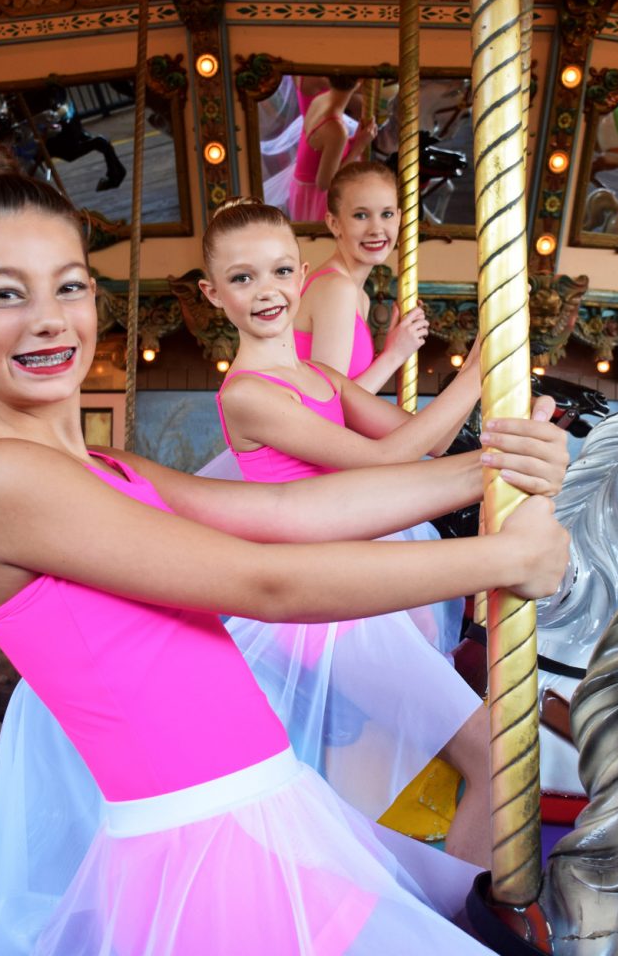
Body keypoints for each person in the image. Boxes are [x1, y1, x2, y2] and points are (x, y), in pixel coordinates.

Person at [0, 143, 571, 955]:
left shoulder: (105, 468)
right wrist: (503, 561)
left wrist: (489, 468)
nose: (50, 319)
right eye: (5, 295)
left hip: (264, 813)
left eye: (71, 286)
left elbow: (290, 512)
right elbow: (266, 580)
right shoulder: (0, 482)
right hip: (209, 853)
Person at [200, 198, 489, 863]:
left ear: (301, 274)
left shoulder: (321, 377)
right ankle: (460, 928)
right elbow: (384, 463)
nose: (266, 291)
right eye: (242, 279)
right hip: (319, 604)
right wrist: (473, 372)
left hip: (359, 586)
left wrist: (473, 379)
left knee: (397, 781)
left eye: (277, 272)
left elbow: (423, 445)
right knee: (497, 759)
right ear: (213, 294)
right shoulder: (247, 394)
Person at [297, 161, 431, 397]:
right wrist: (395, 354)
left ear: (399, 218)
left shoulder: (360, 296)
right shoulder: (336, 288)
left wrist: (393, 347)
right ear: (334, 223)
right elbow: (329, 404)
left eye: (387, 214)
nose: (376, 228)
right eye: (361, 215)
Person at [289, 75, 376, 222]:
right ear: (361, 82)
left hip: (303, 188)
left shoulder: (320, 100)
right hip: (316, 200)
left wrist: (354, 140)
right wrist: (359, 147)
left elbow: (324, 146)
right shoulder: (337, 130)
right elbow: (324, 184)